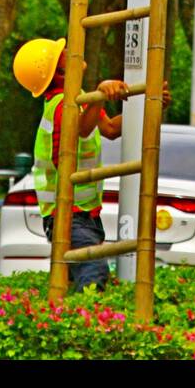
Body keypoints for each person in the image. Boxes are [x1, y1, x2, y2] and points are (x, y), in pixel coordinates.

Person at [12, 35, 169, 290]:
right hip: (67, 214)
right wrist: (100, 94)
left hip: (85, 214)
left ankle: (73, 319)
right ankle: (93, 322)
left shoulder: (78, 98)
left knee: (79, 280)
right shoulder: (61, 105)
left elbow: (109, 128)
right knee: (93, 275)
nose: (70, 52)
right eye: (62, 53)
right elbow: (82, 130)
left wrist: (149, 107)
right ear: (57, 71)